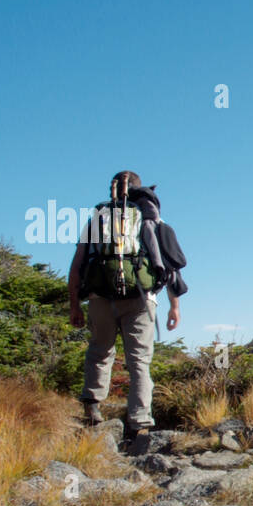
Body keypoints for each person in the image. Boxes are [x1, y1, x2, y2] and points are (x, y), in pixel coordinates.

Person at [69, 170, 181, 455]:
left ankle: (93, 410)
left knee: (99, 352)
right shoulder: (150, 216)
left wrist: (74, 304)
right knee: (139, 362)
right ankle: (139, 424)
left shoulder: (97, 217)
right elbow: (167, 265)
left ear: (113, 189)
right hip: (142, 299)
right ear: (139, 188)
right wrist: (174, 306)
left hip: (99, 297)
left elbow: (78, 262)